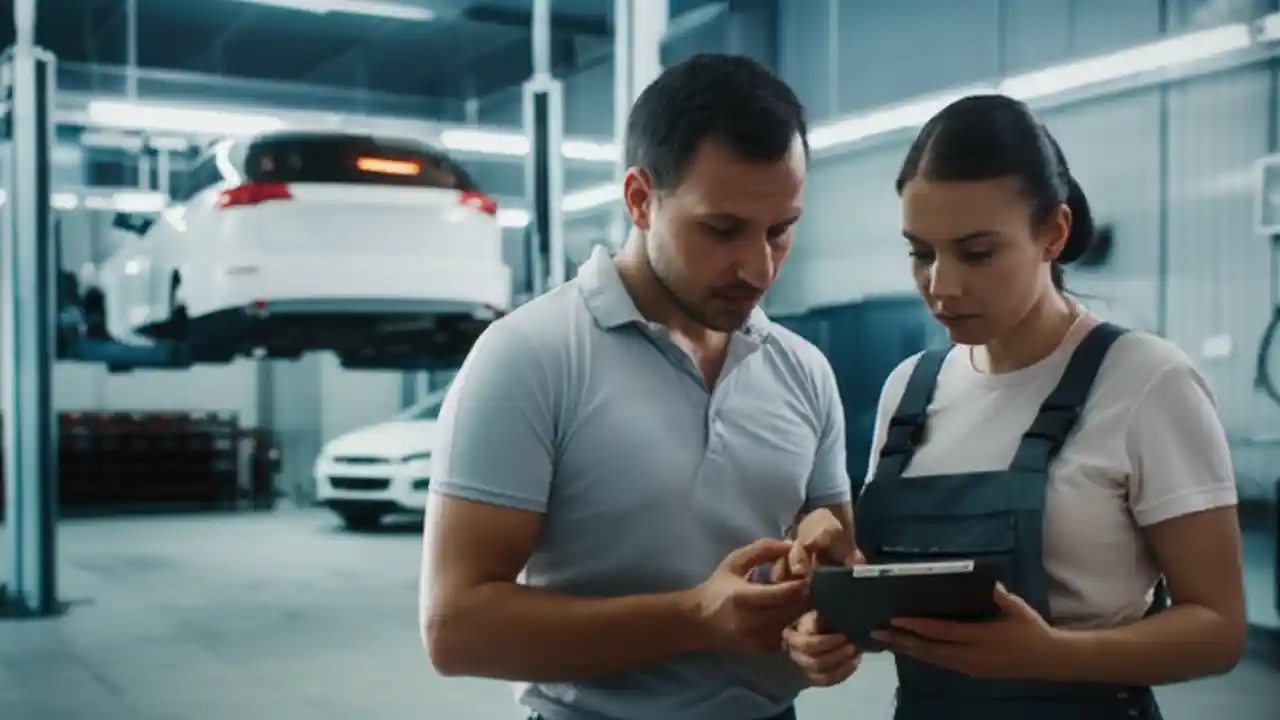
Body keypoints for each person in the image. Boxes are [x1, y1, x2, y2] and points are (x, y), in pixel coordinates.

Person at [419, 53, 860, 720]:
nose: (759, 267)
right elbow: (456, 630)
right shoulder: (529, 357)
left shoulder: (803, 370)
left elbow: (836, 570)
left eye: (781, 231)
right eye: (721, 230)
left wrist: (829, 623)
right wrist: (693, 618)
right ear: (639, 200)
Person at [784, 94, 1247, 719]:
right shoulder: (909, 389)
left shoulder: (1146, 382)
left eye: (977, 253)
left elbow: (1218, 630)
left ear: (1053, 233)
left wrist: (1050, 655)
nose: (941, 285)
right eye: (921, 252)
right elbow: (896, 588)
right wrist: (830, 616)